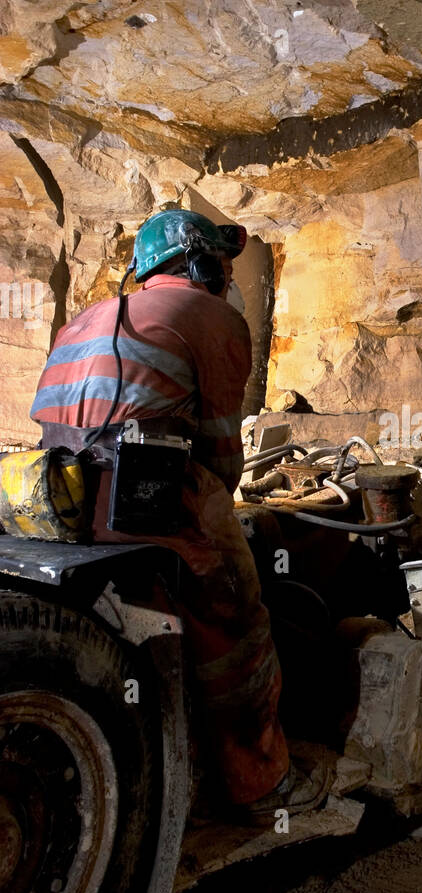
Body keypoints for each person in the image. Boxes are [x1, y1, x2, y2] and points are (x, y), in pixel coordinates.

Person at [30, 208, 332, 821]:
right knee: (233, 612)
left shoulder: (82, 319)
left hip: (52, 500)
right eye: (223, 265)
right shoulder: (211, 315)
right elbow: (221, 456)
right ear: (200, 264)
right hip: (139, 492)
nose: (229, 280)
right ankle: (259, 783)